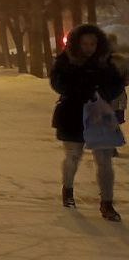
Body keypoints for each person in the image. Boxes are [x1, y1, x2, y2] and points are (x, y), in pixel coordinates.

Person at [51, 24, 125, 221]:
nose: (89, 47)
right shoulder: (66, 61)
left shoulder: (105, 61)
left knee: (104, 161)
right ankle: (68, 190)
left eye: (93, 43)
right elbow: (57, 83)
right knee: (73, 156)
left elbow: (117, 84)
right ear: (77, 43)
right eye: (85, 43)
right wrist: (79, 90)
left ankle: (107, 203)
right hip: (72, 115)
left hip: (99, 115)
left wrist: (104, 94)